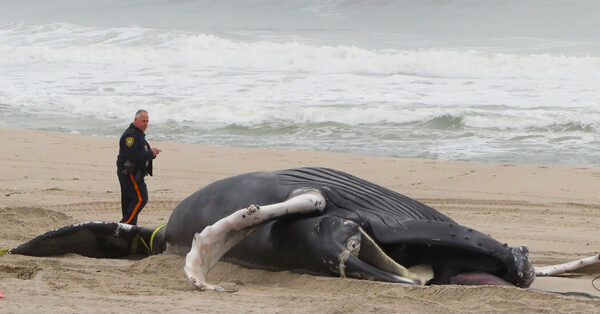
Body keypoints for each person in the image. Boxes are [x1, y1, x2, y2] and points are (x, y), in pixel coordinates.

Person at [116, 109, 161, 225]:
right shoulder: (130, 136)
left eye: (147, 121)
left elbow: (141, 153)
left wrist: (152, 154)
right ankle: (123, 226)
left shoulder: (138, 135)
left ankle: (129, 229)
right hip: (129, 173)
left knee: (130, 202)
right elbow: (133, 156)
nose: (145, 124)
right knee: (140, 198)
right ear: (136, 120)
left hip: (136, 173)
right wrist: (150, 153)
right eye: (143, 121)